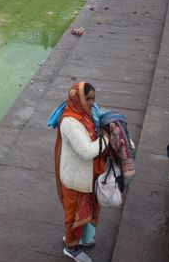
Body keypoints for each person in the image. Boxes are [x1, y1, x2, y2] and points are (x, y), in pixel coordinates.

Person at [54, 82, 110, 262]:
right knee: (73, 216)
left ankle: (81, 240)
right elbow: (86, 152)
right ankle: (71, 247)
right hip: (75, 179)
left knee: (85, 212)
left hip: (87, 176)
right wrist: (107, 139)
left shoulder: (87, 115)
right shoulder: (70, 122)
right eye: (88, 99)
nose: (92, 102)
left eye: (94, 98)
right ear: (77, 99)